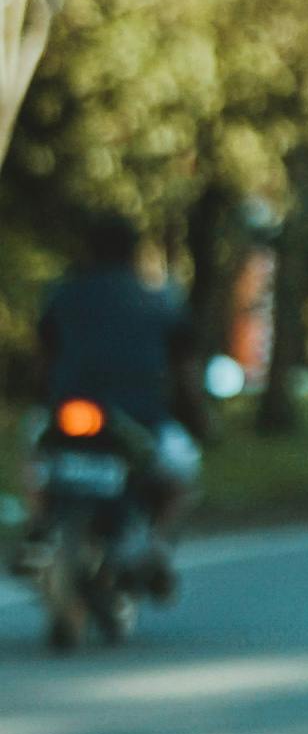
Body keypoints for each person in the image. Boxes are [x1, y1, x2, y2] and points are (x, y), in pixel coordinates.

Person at [33, 211, 199, 579]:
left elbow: (43, 360)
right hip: (140, 420)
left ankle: (39, 530)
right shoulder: (160, 300)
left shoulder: (63, 296)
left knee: (34, 460)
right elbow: (185, 371)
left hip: (68, 414)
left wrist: (43, 398)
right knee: (180, 477)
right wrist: (199, 417)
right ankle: (156, 548)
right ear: (135, 251)